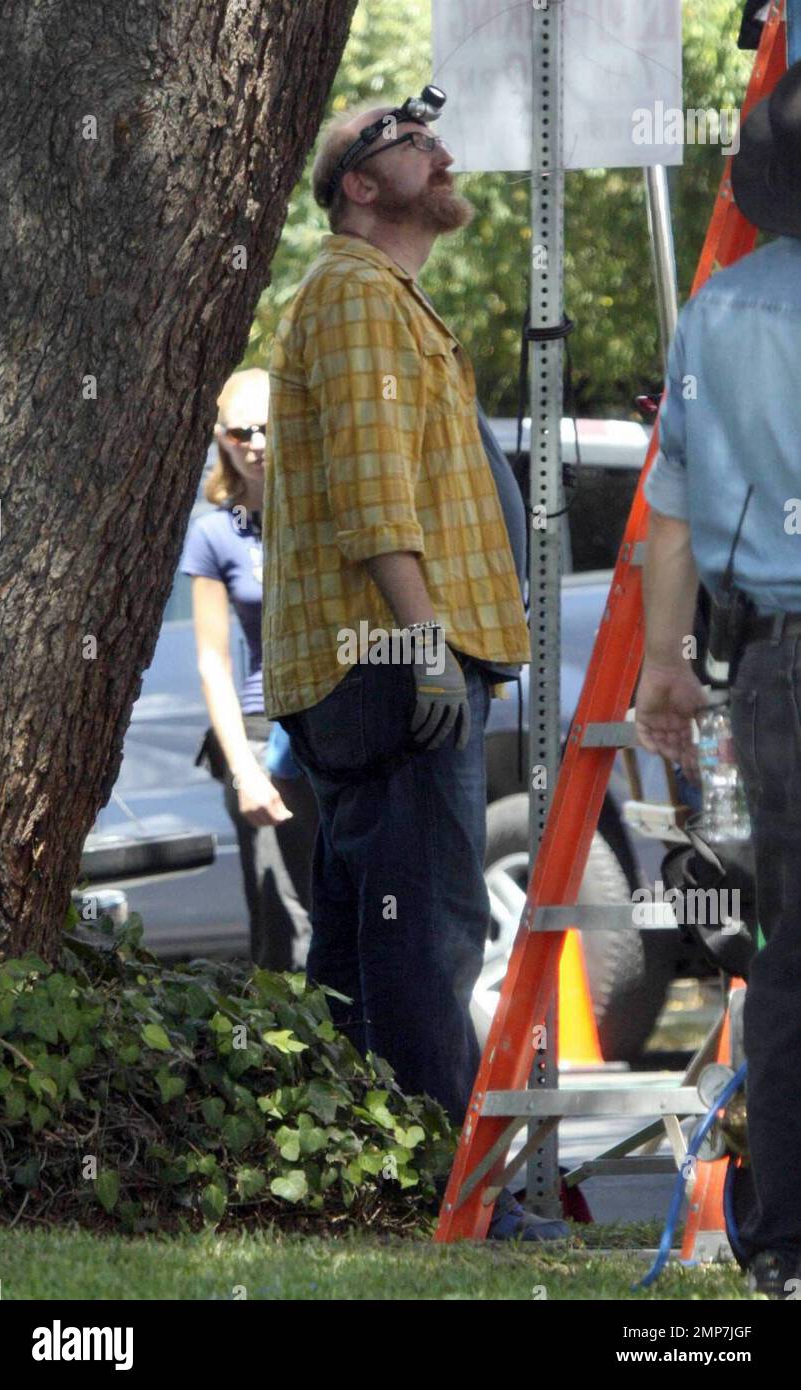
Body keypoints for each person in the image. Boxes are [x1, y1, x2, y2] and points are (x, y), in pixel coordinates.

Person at [263, 97, 566, 1241]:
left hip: (391, 664)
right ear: (358, 185)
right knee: (426, 941)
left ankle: (366, 1191)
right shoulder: (350, 292)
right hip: (396, 668)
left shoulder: (383, 297)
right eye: (409, 140)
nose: (442, 150)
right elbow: (375, 489)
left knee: (363, 948)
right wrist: (425, 645)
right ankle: (456, 1212)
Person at [635, 60, 801, 1296]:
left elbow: (674, 513)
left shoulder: (715, 317)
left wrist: (662, 671)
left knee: (789, 954)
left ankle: (787, 1237)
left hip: (771, 671)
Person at [181, 368, 315, 971]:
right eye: (242, 432)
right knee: (283, 926)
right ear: (221, 439)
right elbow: (214, 661)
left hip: (334, 721)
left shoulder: (321, 514)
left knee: (346, 908)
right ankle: (291, 1061)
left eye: (270, 427)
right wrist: (243, 771)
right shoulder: (216, 534)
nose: (257, 443)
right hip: (264, 732)